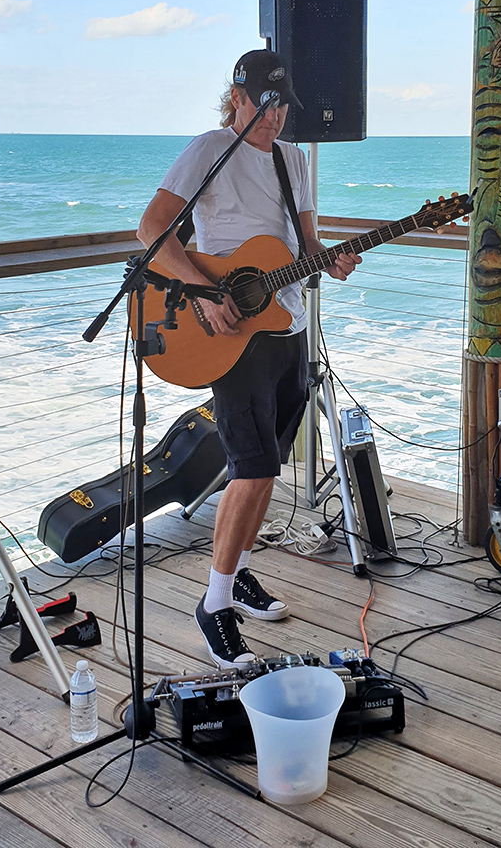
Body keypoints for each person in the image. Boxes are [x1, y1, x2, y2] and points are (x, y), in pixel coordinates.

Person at [137, 49, 360, 668]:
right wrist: (205, 292)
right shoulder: (209, 149)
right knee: (253, 466)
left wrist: (331, 260)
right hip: (227, 333)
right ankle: (214, 602)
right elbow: (152, 229)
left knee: (267, 467)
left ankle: (234, 575)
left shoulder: (293, 160)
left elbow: (306, 245)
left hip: (286, 326)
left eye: (282, 105)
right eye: (263, 104)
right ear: (236, 98)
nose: (274, 117)